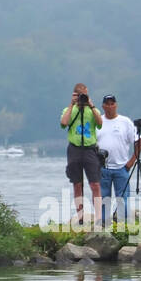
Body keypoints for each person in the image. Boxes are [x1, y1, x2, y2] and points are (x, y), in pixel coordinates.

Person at [60, 82, 103, 228]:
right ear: (74, 95)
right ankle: (80, 217)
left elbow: (100, 123)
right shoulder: (68, 109)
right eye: (79, 96)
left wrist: (91, 105)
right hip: (75, 149)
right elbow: (63, 123)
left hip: (90, 149)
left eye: (84, 95)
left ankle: (98, 217)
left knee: (95, 184)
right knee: (77, 185)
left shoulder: (92, 110)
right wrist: (72, 105)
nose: (82, 98)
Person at [96, 94, 141, 229]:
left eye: (112, 103)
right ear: (103, 106)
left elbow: (139, 141)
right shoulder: (98, 121)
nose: (110, 106)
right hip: (103, 168)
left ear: (116, 105)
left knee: (123, 199)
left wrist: (131, 161)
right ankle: (103, 226)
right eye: (107, 104)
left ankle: (124, 226)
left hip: (122, 167)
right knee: (104, 199)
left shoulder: (125, 121)